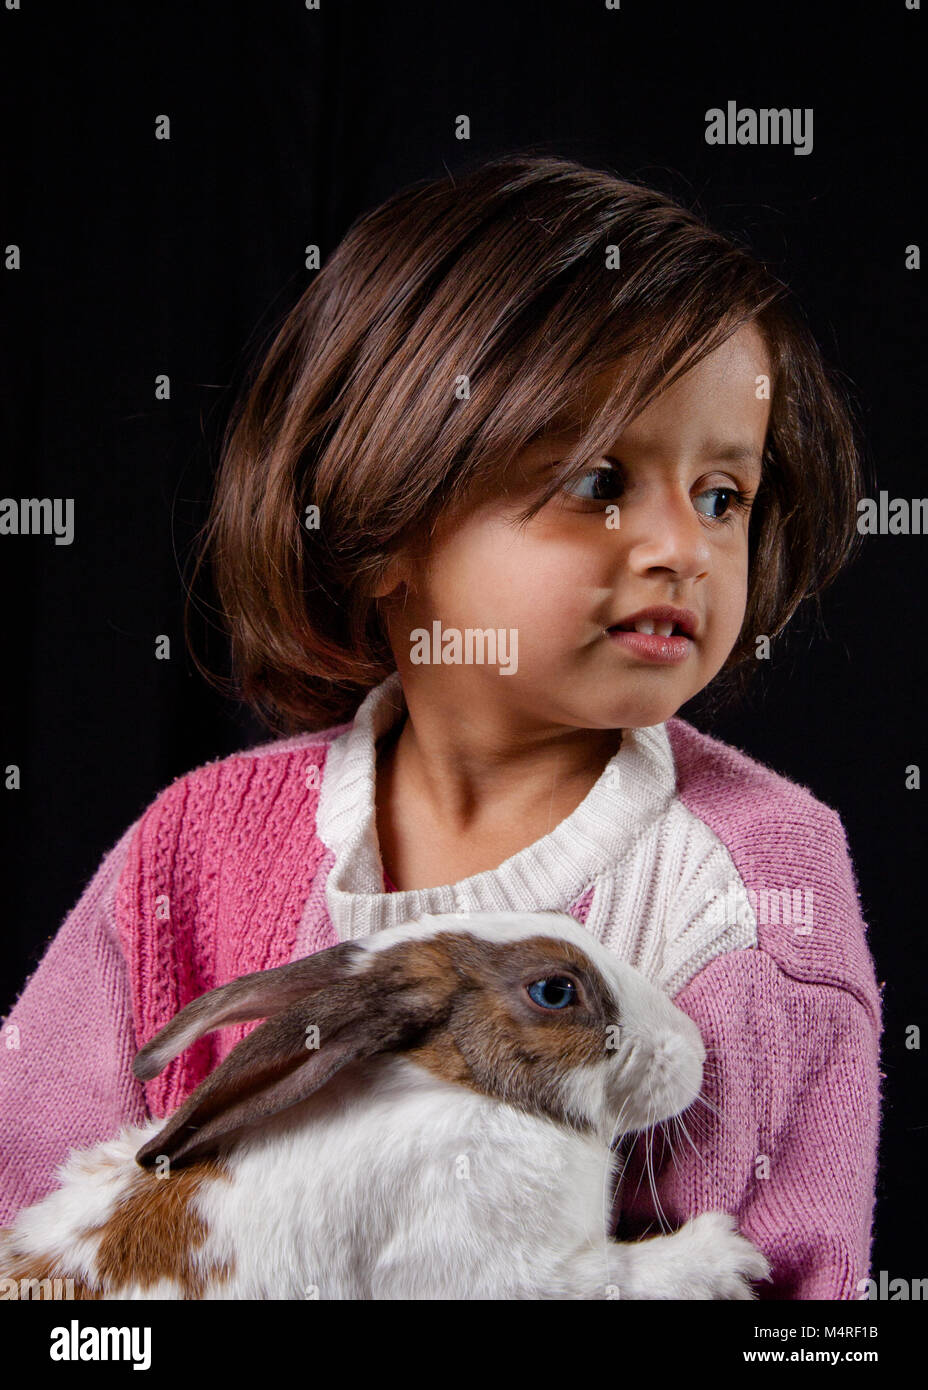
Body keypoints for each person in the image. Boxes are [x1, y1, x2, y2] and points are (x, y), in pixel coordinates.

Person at [0, 155, 882, 1299]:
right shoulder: (194, 846)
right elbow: (36, 1210)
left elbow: (795, 1289)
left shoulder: (756, 884)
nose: (682, 545)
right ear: (384, 522)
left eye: (724, 495)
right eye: (597, 479)